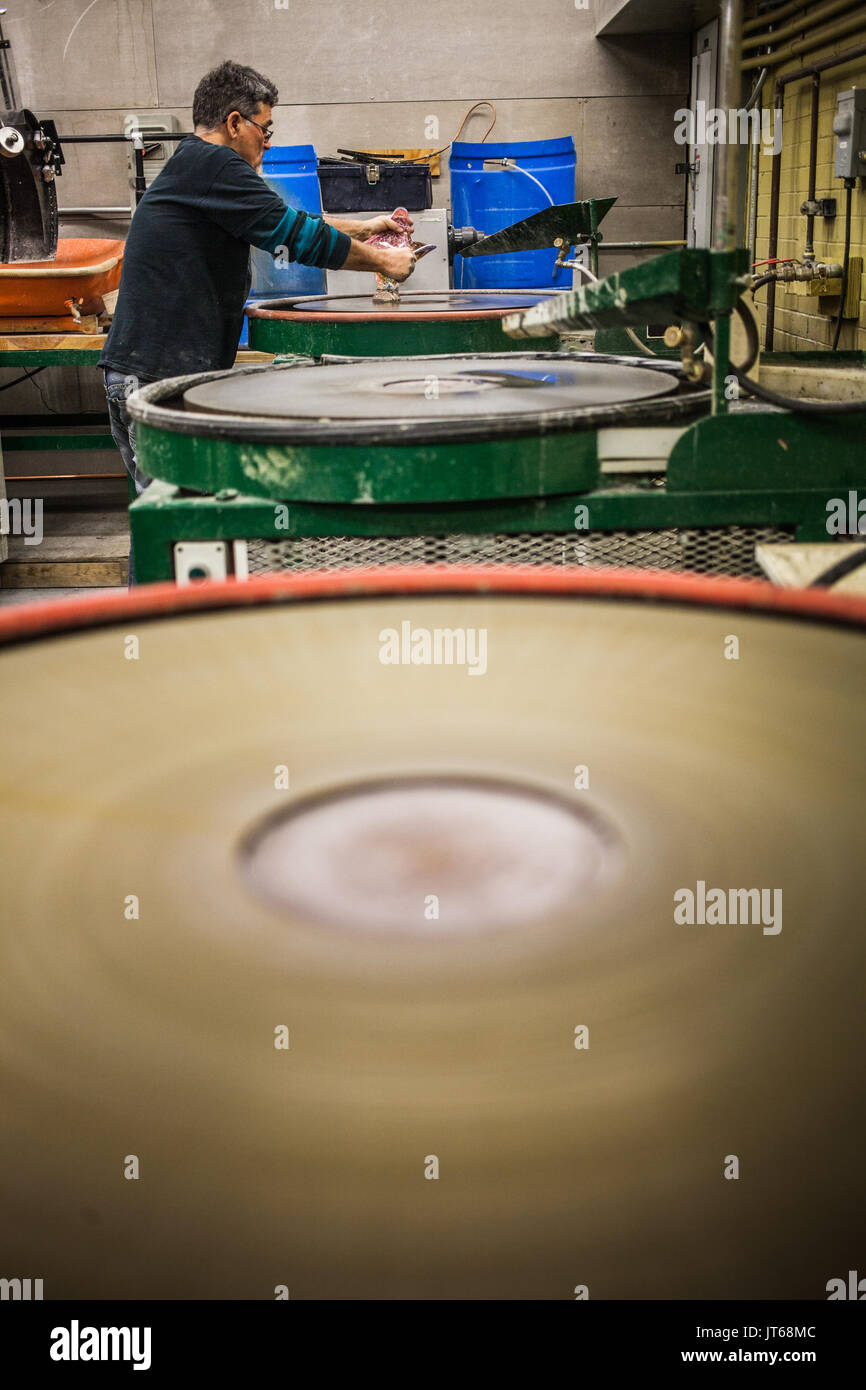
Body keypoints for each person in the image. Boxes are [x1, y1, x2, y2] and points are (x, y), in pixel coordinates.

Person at [100, 59, 416, 581]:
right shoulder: (216, 166)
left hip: (149, 377)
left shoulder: (198, 168)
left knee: (172, 530)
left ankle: (173, 645)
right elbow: (291, 235)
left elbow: (280, 221)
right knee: (177, 533)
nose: (267, 143)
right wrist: (386, 263)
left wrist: (363, 228)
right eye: (264, 130)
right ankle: (164, 648)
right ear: (233, 123)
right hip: (153, 383)